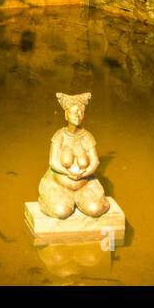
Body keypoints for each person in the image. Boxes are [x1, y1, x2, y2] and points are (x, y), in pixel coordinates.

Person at [37, 91, 110, 219]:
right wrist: (67, 173)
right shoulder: (59, 136)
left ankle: (84, 199)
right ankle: (47, 201)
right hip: (59, 185)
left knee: (96, 209)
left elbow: (95, 162)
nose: (78, 115)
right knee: (62, 211)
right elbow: (53, 162)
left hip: (84, 185)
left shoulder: (87, 137)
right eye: (74, 112)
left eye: (81, 112)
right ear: (66, 115)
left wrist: (84, 173)